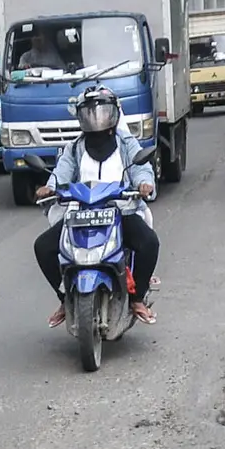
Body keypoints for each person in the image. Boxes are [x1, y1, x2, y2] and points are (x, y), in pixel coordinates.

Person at [33, 84, 160, 327]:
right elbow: (61, 172)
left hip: (121, 210)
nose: (97, 119)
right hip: (81, 213)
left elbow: (141, 167)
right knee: (43, 246)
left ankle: (137, 298)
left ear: (114, 114)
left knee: (149, 243)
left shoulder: (126, 143)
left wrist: (144, 183)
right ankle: (65, 298)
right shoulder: (75, 147)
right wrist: (51, 187)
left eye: (102, 112)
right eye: (90, 113)